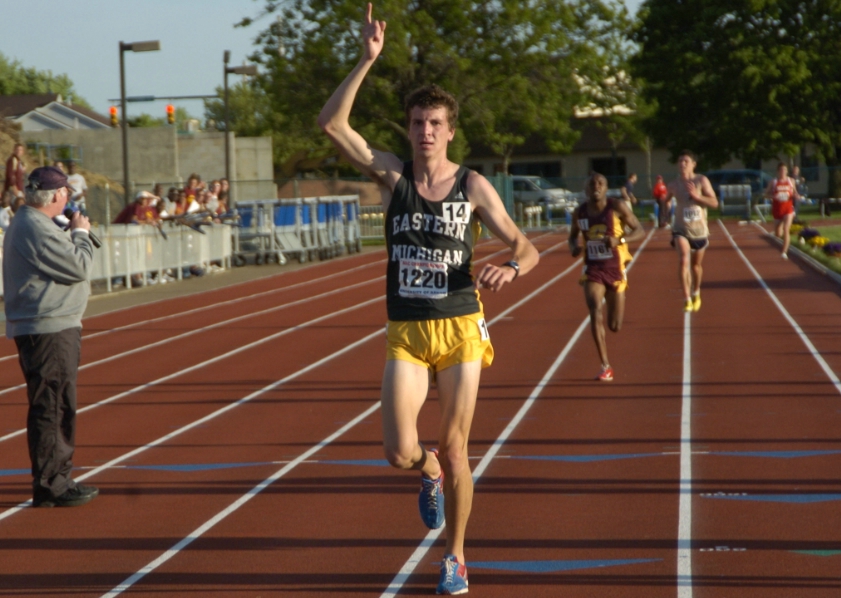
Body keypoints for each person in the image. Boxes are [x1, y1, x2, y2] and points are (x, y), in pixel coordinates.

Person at [317, 4, 539, 594]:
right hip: (407, 331)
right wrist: (365, 62)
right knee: (398, 450)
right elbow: (333, 126)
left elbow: (525, 244)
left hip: (462, 325)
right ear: (409, 128)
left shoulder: (472, 187)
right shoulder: (393, 178)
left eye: (435, 122)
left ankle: (456, 557)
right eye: (417, 122)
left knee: (457, 443)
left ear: (450, 129)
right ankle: (427, 472)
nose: (425, 132)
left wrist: (511, 266)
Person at [2, 166, 98, 508]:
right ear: (57, 195)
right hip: (48, 328)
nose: (68, 198)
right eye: (66, 193)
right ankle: (52, 484)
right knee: (52, 405)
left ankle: (56, 479)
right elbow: (78, 266)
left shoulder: (32, 222)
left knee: (55, 404)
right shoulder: (34, 227)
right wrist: (81, 234)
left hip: (50, 325)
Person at [569, 173, 644, 381]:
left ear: (606, 187)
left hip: (615, 269)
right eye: (592, 183)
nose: (596, 186)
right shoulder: (580, 212)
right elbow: (572, 237)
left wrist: (619, 239)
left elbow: (639, 230)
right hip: (593, 269)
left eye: (600, 183)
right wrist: (574, 247)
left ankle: (617, 299)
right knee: (594, 307)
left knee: (615, 325)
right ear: (586, 190)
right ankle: (605, 365)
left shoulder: (617, 207)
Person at [666, 151, 718, 312]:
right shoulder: (674, 185)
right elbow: (665, 201)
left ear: (693, 164)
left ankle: (696, 291)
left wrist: (697, 196)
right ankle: (686, 298)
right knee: (683, 260)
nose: (682, 163)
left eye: (686, 161)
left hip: (700, 231)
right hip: (681, 229)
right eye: (680, 160)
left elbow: (714, 203)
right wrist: (665, 213)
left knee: (696, 266)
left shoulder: (701, 180)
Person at [764, 162, 800, 259]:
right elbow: (765, 194)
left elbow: (795, 192)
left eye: (784, 170)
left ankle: (784, 251)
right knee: (778, 234)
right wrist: (773, 196)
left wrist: (797, 196)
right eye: (781, 170)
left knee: (786, 229)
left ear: (787, 171)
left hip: (788, 209)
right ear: (778, 171)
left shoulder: (791, 181)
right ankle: (780, 233)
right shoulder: (774, 182)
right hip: (777, 210)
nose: (783, 171)